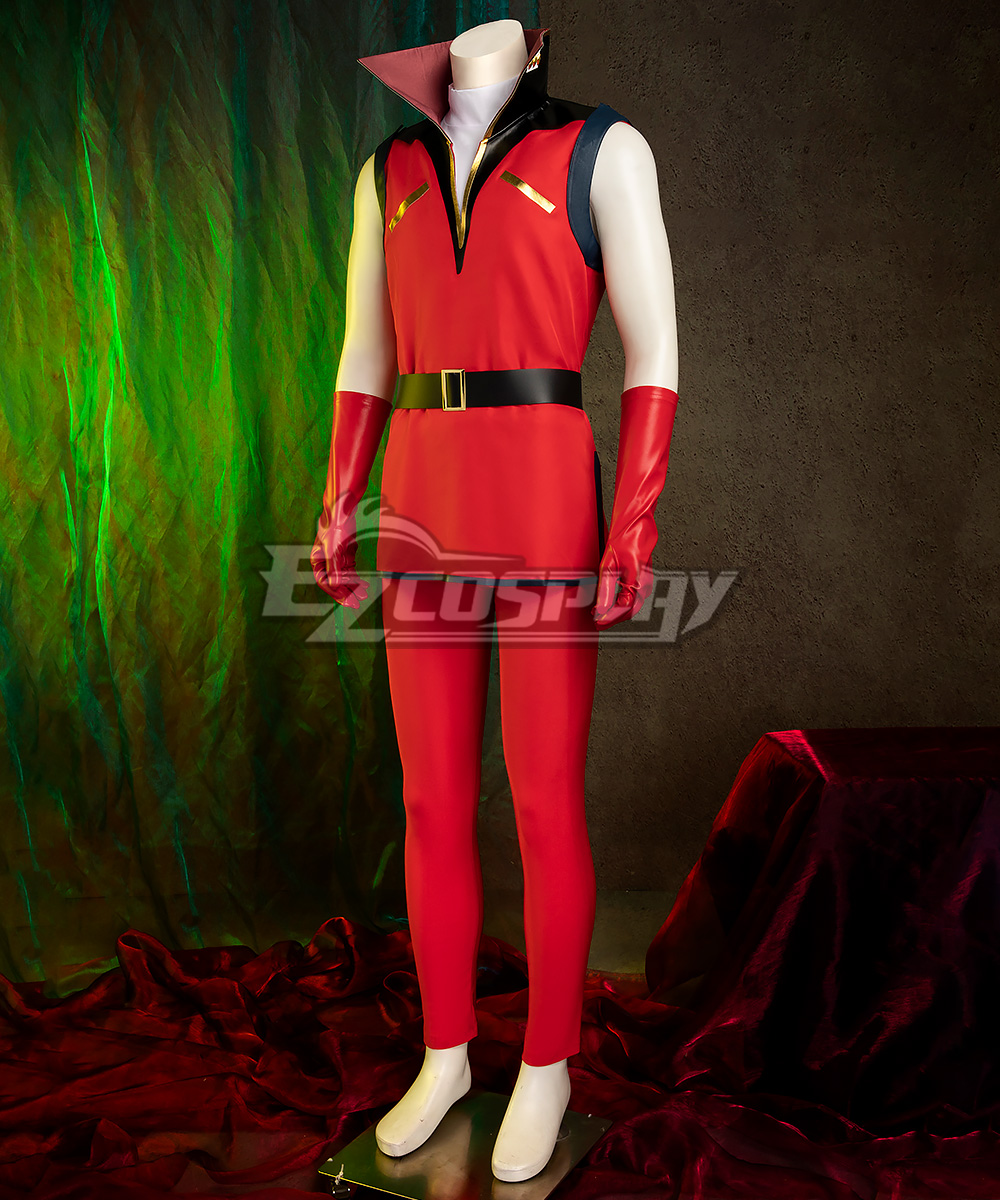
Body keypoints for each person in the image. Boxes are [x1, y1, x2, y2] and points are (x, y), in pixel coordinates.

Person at [312, 19, 679, 1183]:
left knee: (540, 798)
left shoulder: (602, 149)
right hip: (419, 493)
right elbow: (365, 349)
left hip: (541, 494)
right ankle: (445, 1053)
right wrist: (338, 496)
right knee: (428, 799)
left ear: (534, 46)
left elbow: (653, 347)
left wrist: (634, 512)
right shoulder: (387, 169)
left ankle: (548, 1063)